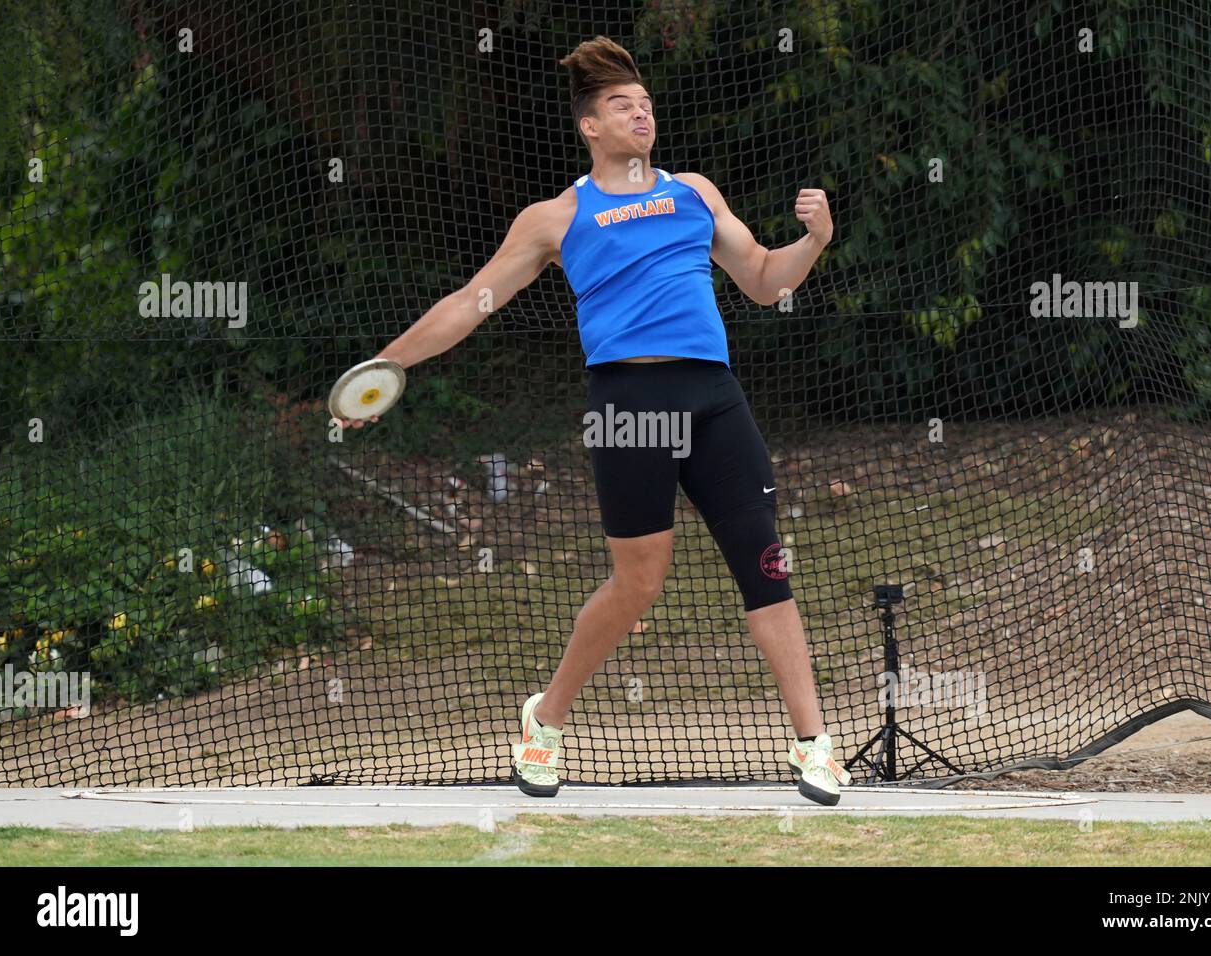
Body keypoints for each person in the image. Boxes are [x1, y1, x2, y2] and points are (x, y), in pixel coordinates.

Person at [339, 36, 850, 805]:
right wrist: (390, 366)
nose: (640, 113)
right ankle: (545, 722)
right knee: (639, 584)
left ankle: (814, 745)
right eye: (621, 106)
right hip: (629, 407)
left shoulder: (696, 193)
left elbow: (764, 281)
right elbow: (469, 304)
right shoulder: (557, 217)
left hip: (715, 401)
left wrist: (812, 241)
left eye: (645, 104)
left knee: (766, 565)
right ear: (590, 126)